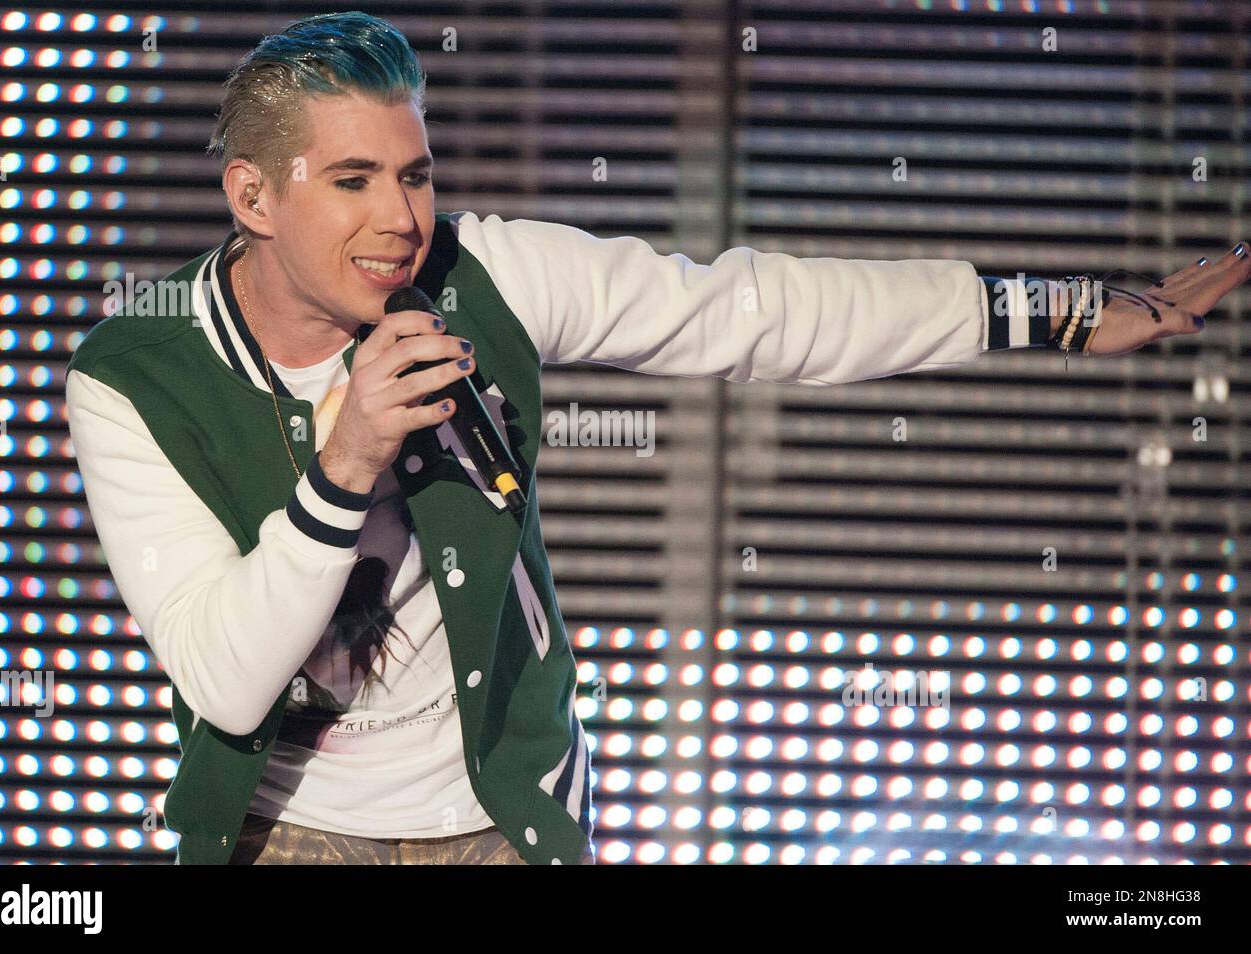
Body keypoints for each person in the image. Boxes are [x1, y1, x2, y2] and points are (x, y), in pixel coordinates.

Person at [64, 11, 1250, 866]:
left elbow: (750, 308)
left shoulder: (490, 275)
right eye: (355, 181)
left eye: (416, 176)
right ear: (254, 198)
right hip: (282, 830)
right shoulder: (134, 380)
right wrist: (344, 467)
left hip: (501, 817)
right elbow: (222, 679)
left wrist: (1049, 309)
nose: (400, 221)